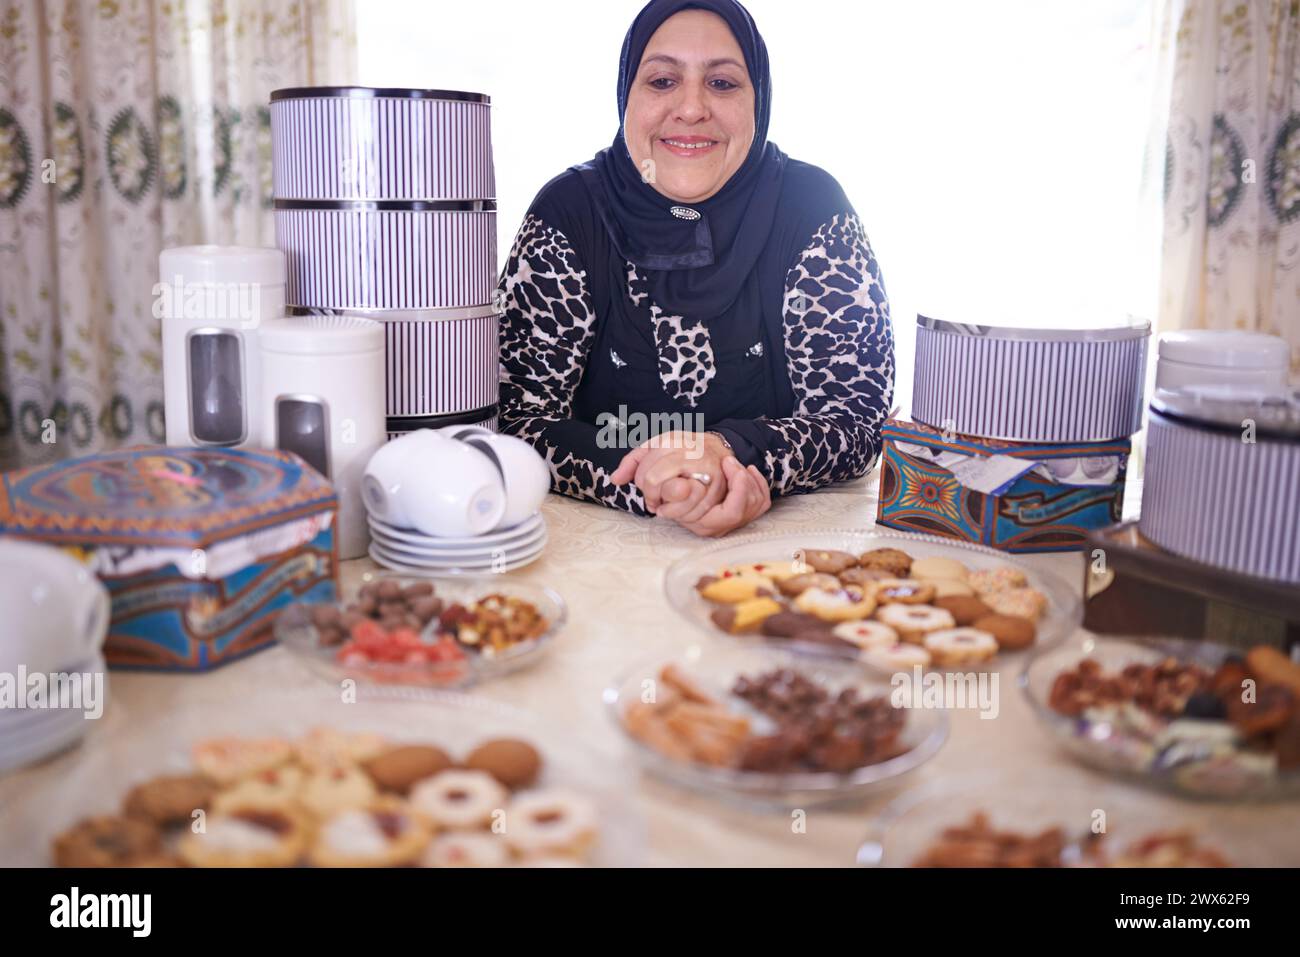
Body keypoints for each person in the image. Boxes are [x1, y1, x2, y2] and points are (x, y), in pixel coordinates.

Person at [497, 0, 894, 537]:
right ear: (626, 97)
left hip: (778, 551)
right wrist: (660, 484)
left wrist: (729, 455)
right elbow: (514, 419)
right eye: (662, 80)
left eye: (723, 84)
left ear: (759, 98)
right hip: (598, 554)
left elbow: (856, 422)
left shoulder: (811, 208)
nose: (690, 109)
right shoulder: (570, 212)